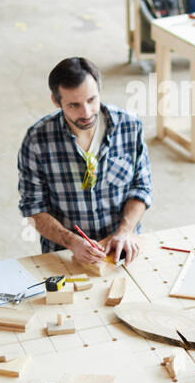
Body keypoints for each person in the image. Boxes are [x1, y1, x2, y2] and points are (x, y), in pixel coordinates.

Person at [18, 57, 152, 266]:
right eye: (74, 105)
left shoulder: (129, 126)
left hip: (121, 249)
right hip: (65, 255)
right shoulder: (37, 140)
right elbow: (33, 207)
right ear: (56, 101)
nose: (87, 113)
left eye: (91, 100)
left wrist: (124, 232)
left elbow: (141, 187)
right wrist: (73, 242)